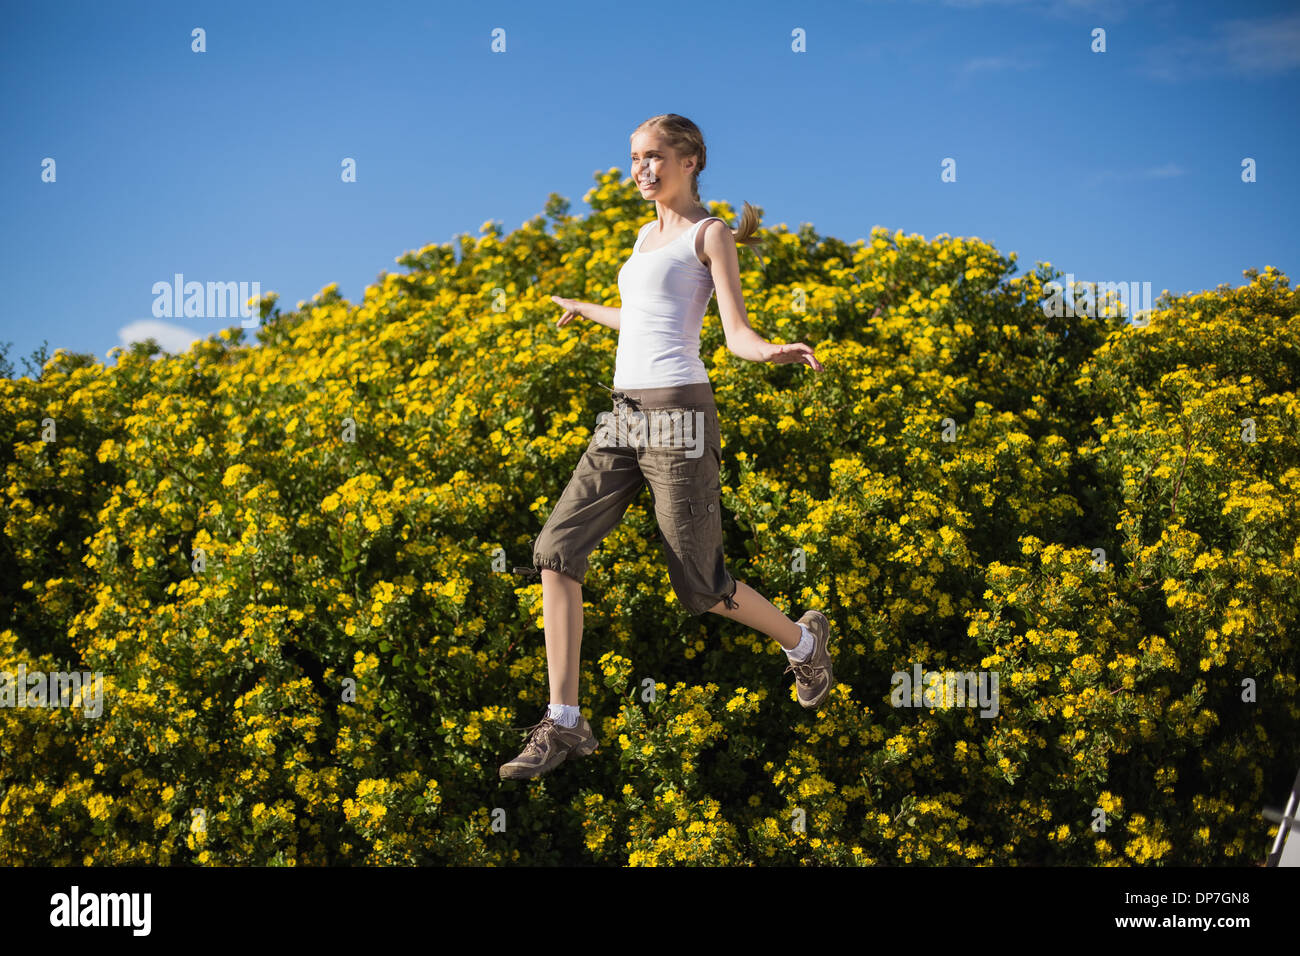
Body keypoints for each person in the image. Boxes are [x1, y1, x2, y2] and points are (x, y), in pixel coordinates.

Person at [499, 113, 834, 781]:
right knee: (556, 551)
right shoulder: (643, 237)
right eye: (634, 158)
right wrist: (589, 309)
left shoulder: (710, 236)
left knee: (701, 585)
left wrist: (768, 351)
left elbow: (732, 330)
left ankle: (803, 642)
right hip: (623, 416)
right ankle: (563, 722)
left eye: (654, 157)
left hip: (679, 417)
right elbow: (645, 319)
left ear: (691, 161)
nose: (642, 170)